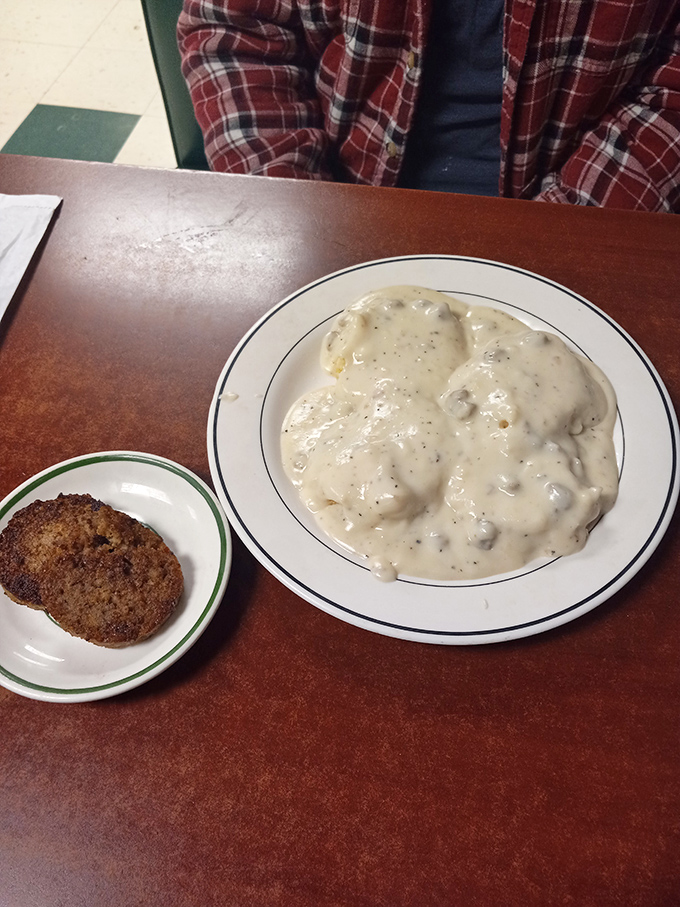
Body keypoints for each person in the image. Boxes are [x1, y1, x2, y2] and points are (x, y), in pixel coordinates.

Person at [177, 0, 680, 212]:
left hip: (579, 206)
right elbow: (234, 31)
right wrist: (295, 208)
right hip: (333, 195)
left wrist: (556, 239)